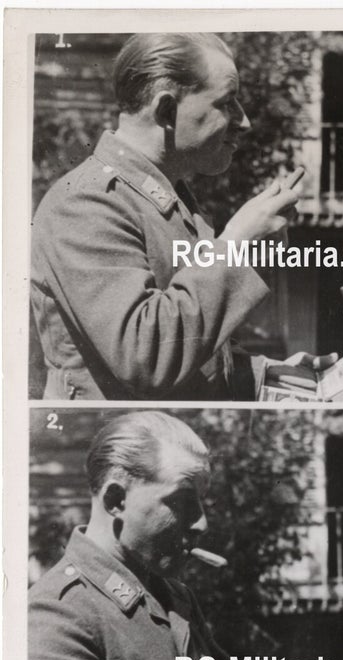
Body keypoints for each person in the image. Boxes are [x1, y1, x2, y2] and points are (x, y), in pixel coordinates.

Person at [31, 33, 327, 401]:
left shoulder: (165, 199)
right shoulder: (85, 204)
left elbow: (189, 354)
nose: (244, 121)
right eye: (227, 103)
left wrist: (267, 376)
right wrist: (235, 242)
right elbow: (147, 358)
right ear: (167, 111)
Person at [27, 412, 305, 660]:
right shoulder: (55, 612)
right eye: (183, 501)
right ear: (115, 500)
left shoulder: (175, 596)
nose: (202, 523)